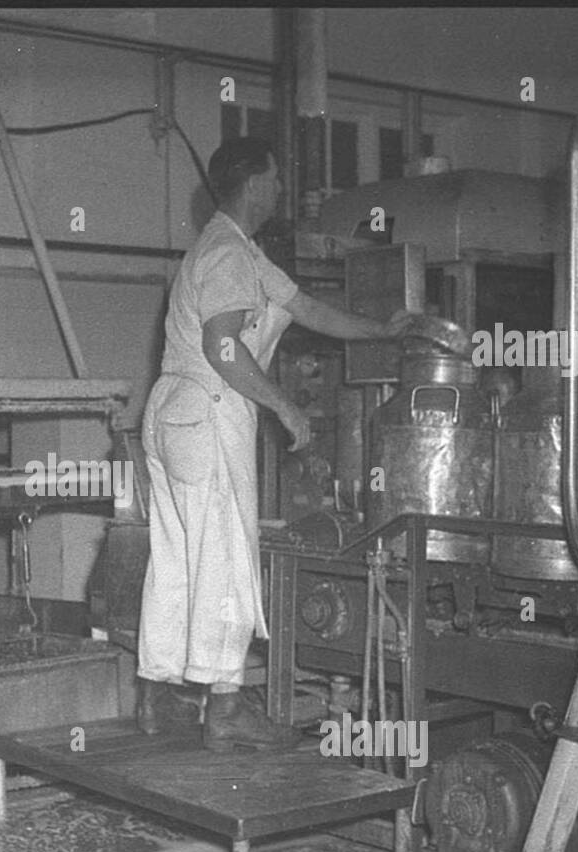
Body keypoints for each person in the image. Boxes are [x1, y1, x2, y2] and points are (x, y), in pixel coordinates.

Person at [138, 137, 408, 751]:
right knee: (227, 555)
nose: (283, 188)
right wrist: (283, 404)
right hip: (207, 406)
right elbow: (223, 347)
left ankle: (155, 696)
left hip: (171, 408)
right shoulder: (229, 253)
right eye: (277, 176)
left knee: (178, 557)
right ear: (254, 183)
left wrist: (380, 331)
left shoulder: (234, 250)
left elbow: (306, 307)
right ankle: (225, 707)